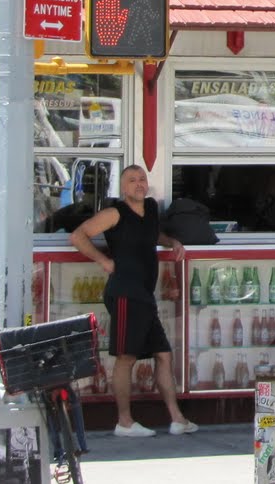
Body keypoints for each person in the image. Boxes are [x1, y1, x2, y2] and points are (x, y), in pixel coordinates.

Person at [69, 165, 199, 437]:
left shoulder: (151, 208)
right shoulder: (114, 213)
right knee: (126, 357)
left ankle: (177, 419)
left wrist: (171, 241)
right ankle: (124, 422)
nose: (139, 184)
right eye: (132, 180)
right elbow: (78, 236)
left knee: (163, 354)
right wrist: (104, 261)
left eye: (142, 179)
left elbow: (153, 235)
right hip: (125, 292)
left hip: (144, 294)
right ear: (123, 187)